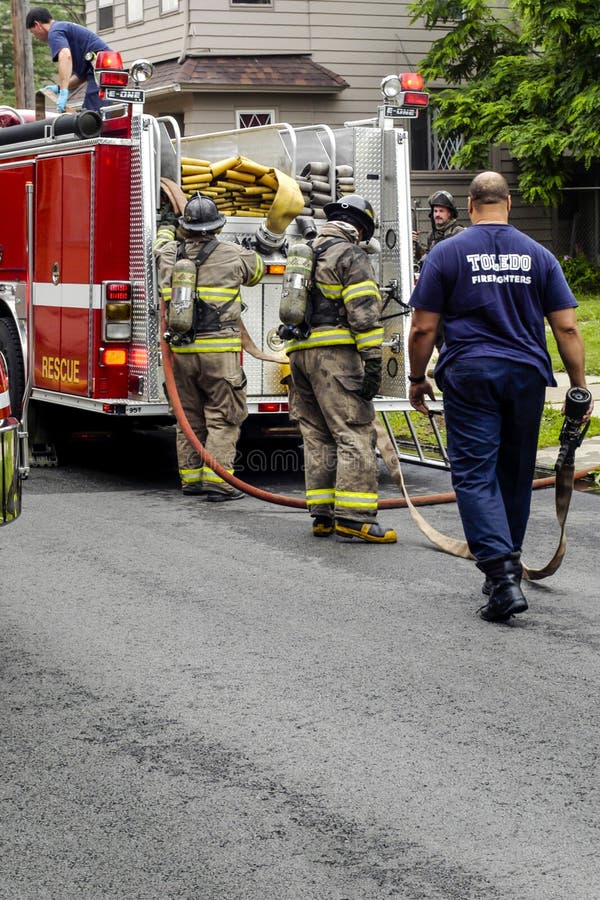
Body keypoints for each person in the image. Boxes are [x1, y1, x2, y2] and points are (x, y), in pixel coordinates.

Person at [407, 171, 593, 622]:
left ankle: (503, 576)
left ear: (471, 206)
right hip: (526, 375)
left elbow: (423, 327)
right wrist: (579, 385)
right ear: (507, 204)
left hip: (470, 375)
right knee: (514, 472)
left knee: (474, 473)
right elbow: (566, 327)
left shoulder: (446, 254)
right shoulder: (539, 255)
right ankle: (501, 567)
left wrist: (417, 377)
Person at [285, 194, 397, 544]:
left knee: (317, 436)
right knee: (355, 433)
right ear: (360, 229)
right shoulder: (350, 254)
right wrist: (374, 362)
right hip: (334, 358)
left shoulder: (304, 251)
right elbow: (363, 312)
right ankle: (355, 518)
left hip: (299, 356)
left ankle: (323, 515)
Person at [153, 193, 264, 501]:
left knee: (188, 418)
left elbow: (158, 245)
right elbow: (257, 272)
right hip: (219, 353)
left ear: (185, 227)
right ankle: (218, 481)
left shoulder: (168, 255)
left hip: (181, 353)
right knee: (224, 416)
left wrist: (165, 224)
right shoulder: (234, 254)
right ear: (217, 227)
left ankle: (191, 480)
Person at [26, 7, 112, 113]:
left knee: (94, 119)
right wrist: (59, 87)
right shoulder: (64, 29)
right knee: (89, 112)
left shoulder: (54, 31)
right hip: (104, 68)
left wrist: (63, 91)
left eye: (33, 32)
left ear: (37, 25)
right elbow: (81, 76)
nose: (36, 37)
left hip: (102, 68)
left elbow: (65, 56)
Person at [413, 190, 465, 263]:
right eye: (435, 211)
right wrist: (416, 244)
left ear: (449, 213)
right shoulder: (432, 234)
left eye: (441, 211)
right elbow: (427, 258)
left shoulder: (458, 232)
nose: (437, 214)